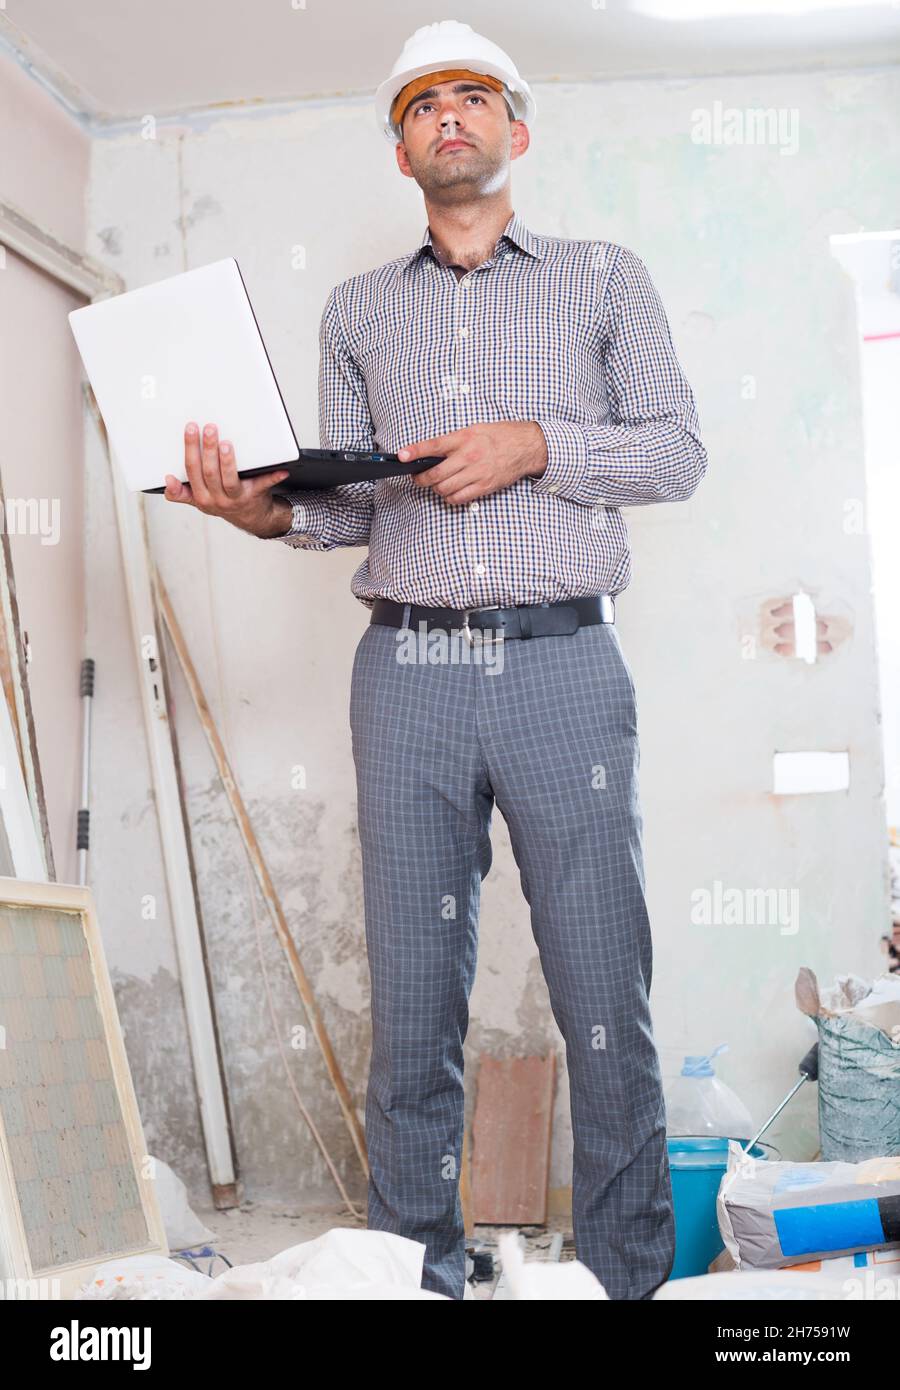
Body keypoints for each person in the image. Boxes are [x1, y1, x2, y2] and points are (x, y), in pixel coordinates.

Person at [163, 19, 709, 1301]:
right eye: (421, 105)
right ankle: (413, 1282)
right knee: (413, 1006)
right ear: (401, 150)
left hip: (567, 670)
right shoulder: (359, 310)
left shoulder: (603, 280)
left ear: (517, 132)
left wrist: (534, 442)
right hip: (404, 677)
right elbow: (353, 506)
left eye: (474, 97)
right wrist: (263, 509)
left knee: (603, 1000)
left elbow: (677, 452)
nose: (447, 116)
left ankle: (631, 1284)